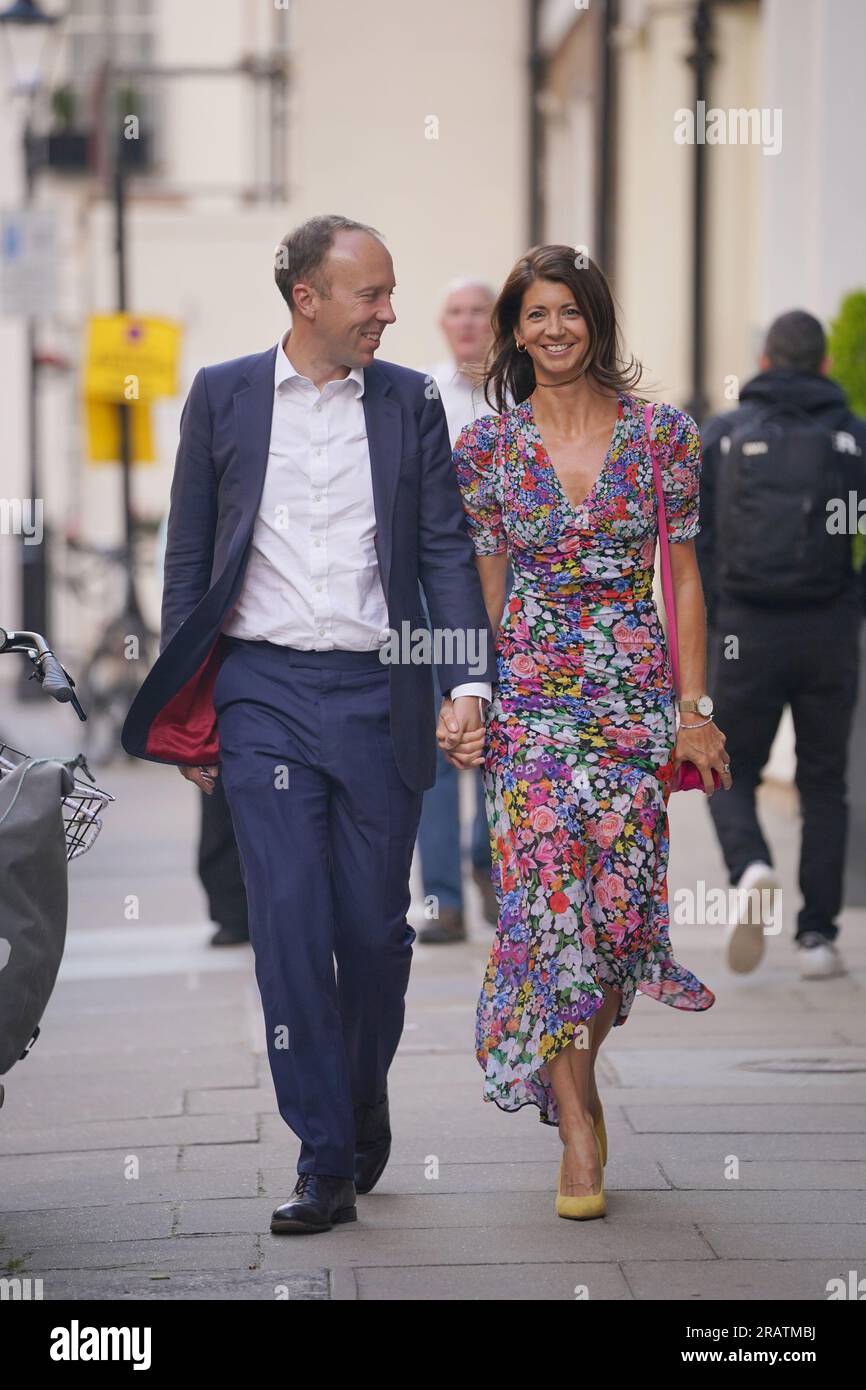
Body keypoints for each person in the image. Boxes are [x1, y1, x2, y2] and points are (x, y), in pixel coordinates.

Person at [121, 215, 495, 1235]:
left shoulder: (410, 399)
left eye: (388, 293)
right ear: (307, 299)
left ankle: (357, 1090)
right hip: (262, 695)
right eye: (370, 294)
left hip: (382, 693)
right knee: (284, 923)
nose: (386, 311)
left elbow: (444, 551)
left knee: (371, 933)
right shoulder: (223, 394)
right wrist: (189, 709)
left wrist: (468, 679)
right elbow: (189, 560)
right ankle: (322, 1151)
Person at [441, 245, 730, 1220]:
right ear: (512, 333)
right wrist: (467, 692)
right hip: (529, 704)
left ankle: (576, 1067)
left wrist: (692, 712)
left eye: (567, 311)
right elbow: (483, 582)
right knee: (542, 917)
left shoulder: (660, 436)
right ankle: (574, 1126)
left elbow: (682, 577)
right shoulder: (485, 451)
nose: (551, 329)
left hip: (628, 704)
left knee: (612, 924)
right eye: (534, 315)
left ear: (595, 322)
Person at [696, 310, 866, 981]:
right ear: (825, 365)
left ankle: (751, 866)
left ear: (764, 363)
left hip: (745, 631)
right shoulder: (853, 436)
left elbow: (694, 541)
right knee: (825, 783)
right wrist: (853, 602)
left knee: (722, 767)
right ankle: (818, 937)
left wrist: (717, 613)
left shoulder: (727, 433)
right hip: (829, 632)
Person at [416, 278, 500, 942]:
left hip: (510, 584)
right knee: (440, 736)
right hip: (435, 588)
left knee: (504, 732)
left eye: (480, 311)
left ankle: (493, 867)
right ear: (442, 325)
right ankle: (441, 896)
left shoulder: (520, 396)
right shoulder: (418, 394)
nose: (468, 323)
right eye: (457, 312)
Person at [155, 512, 250, 947]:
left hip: (246, 642)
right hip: (219, 642)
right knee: (219, 779)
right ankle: (231, 907)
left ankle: (239, 906)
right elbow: (178, 571)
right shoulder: (200, 489)